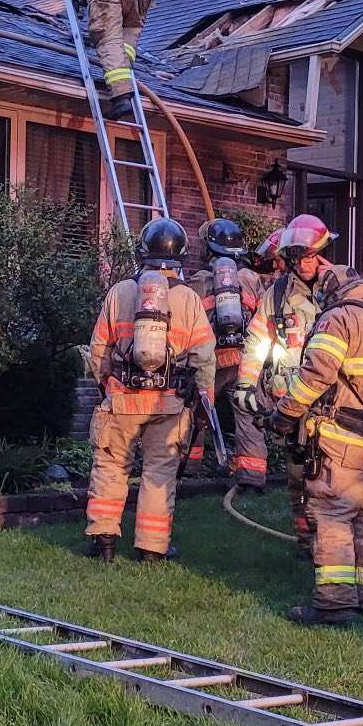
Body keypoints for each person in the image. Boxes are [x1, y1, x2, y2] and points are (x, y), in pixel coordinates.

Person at [265, 273, 363, 625]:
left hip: (344, 444)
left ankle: (336, 604)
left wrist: (283, 415)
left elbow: (315, 376)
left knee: (333, 517)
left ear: (336, 291)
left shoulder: (341, 318)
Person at [85, 217, 215, 564]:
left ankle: (104, 540)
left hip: (122, 400)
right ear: (181, 257)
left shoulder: (120, 292)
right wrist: (205, 404)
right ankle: (152, 549)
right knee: (159, 473)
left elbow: (99, 349)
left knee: (111, 467)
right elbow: (204, 359)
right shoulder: (189, 299)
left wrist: (106, 385)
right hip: (169, 404)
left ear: (142, 253)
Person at [233, 214, 351, 536]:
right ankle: (305, 539)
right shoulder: (277, 294)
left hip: (334, 403)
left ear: (322, 251)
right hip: (292, 403)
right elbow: (258, 340)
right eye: (297, 257)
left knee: (333, 475)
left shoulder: (343, 287)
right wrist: (246, 384)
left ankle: (333, 540)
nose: (304, 264)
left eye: (310, 255)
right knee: (297, 475)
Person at [183, 218, 263, 480]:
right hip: (245, 359)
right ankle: (252, 474)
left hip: (212, 359)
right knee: (247, 412)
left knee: (197, 411)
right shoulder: (252, 279)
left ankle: (188, 468)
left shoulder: (201, 280)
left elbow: (189, 320)